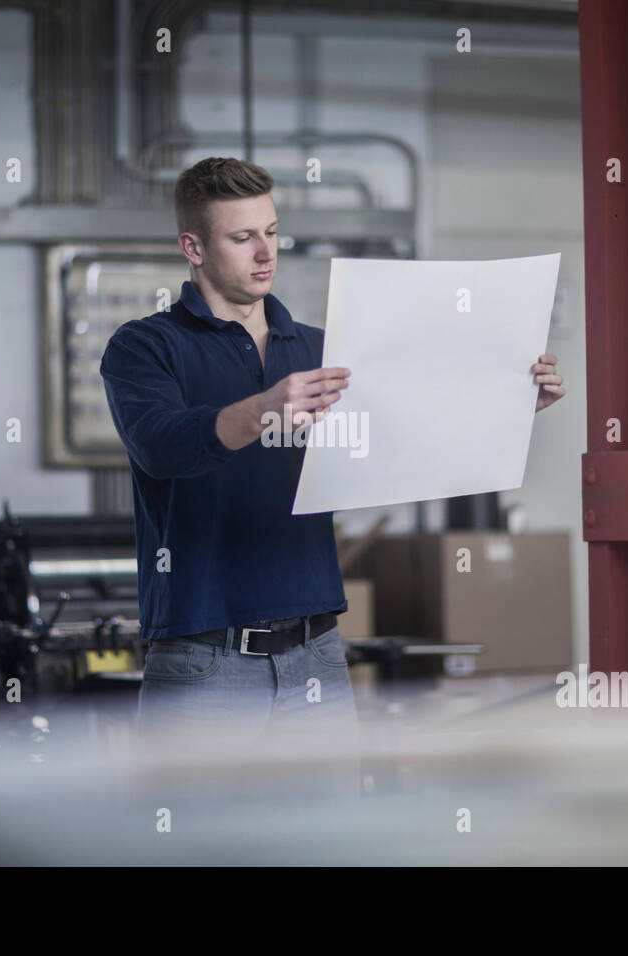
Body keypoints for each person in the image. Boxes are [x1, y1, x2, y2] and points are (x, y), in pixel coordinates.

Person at [100, 157, 565, 767]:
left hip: (315, 657)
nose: (265, 252)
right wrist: (265, 408)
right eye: (242, 238)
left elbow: (407, 437)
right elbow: (160, 445)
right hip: (202, 660)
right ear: (193, 247)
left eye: (271, 232)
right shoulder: (146, 346)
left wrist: (513, 402)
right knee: (190, 844)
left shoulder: (322, 349)